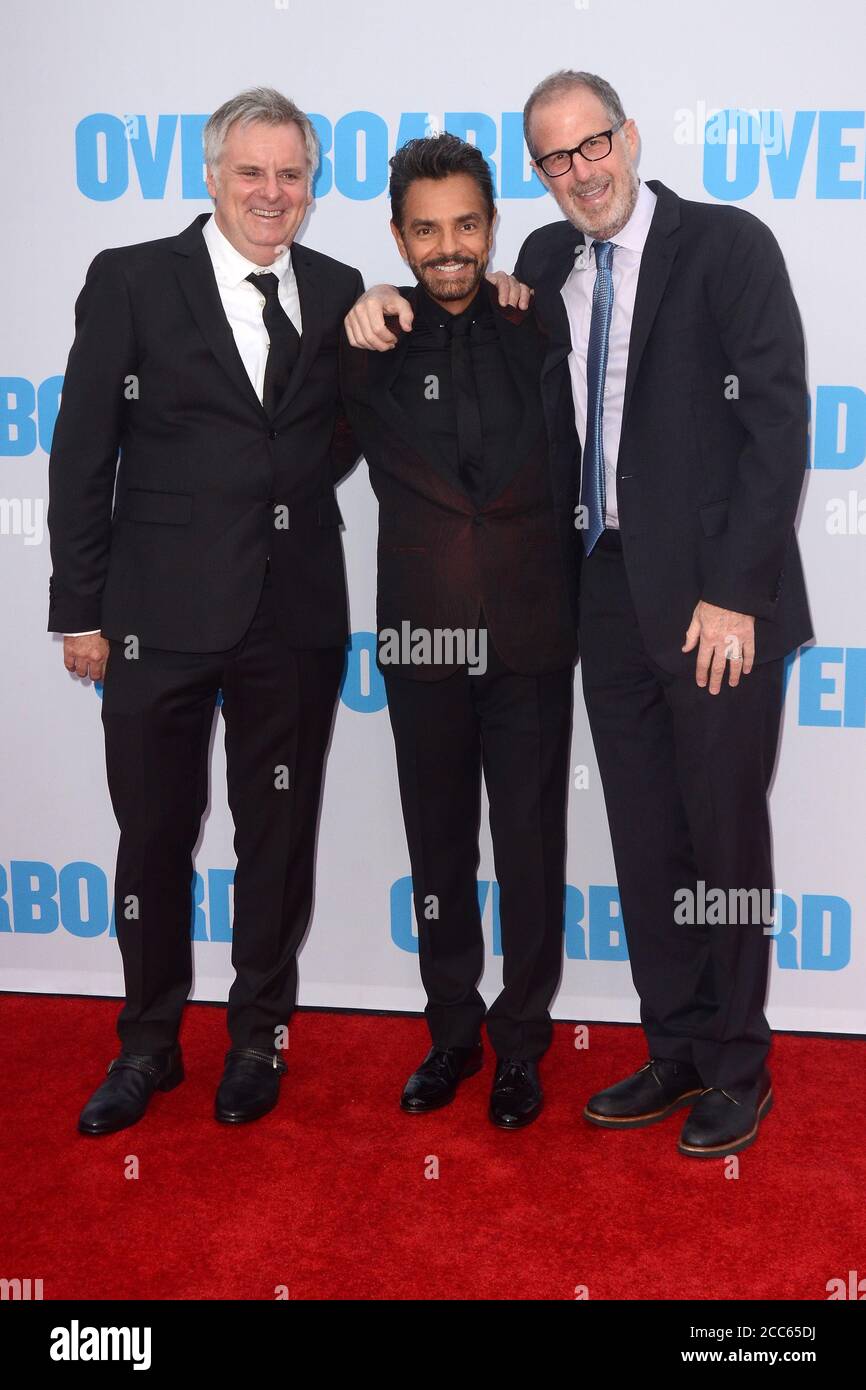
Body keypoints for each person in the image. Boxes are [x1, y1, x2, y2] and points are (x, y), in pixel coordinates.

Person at [345, 71, 812, 1157]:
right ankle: (676, 1044)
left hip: (713, 606)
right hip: (599, 592)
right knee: (647, 838)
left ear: (628, 137)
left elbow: (777, 423)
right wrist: (371, 299)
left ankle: (738, 1064)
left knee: (722, 843)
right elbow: (460, 312)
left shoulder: (726, 246)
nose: (577, 172)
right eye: (552, 160)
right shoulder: (546, 265)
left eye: (590, 146)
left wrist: (737, 589)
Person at [48, 87, 363, 1134]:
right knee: (153, 837)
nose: (272, 193)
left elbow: (332, 433)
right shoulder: (133, 279)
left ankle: (256, 1035)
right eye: (251, 173)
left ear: (311, 188)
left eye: (291, 175)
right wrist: (78, 610)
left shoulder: (336, 287)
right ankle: (146, 1044)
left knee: (276, 836)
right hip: (153, 618)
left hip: (294, 616)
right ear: (213, 176)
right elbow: (83, 452)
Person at [340, 134, 580, 1128]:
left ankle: (521, 1043)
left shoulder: (538, 319)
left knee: (528, 849)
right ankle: (450, 1031)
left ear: (491, 227)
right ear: (399, 235)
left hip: (527, 630)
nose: (448, 247)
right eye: (426, 229)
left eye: (466, 224)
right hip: (424, 639)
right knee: (437, 849)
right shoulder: (363, 345)